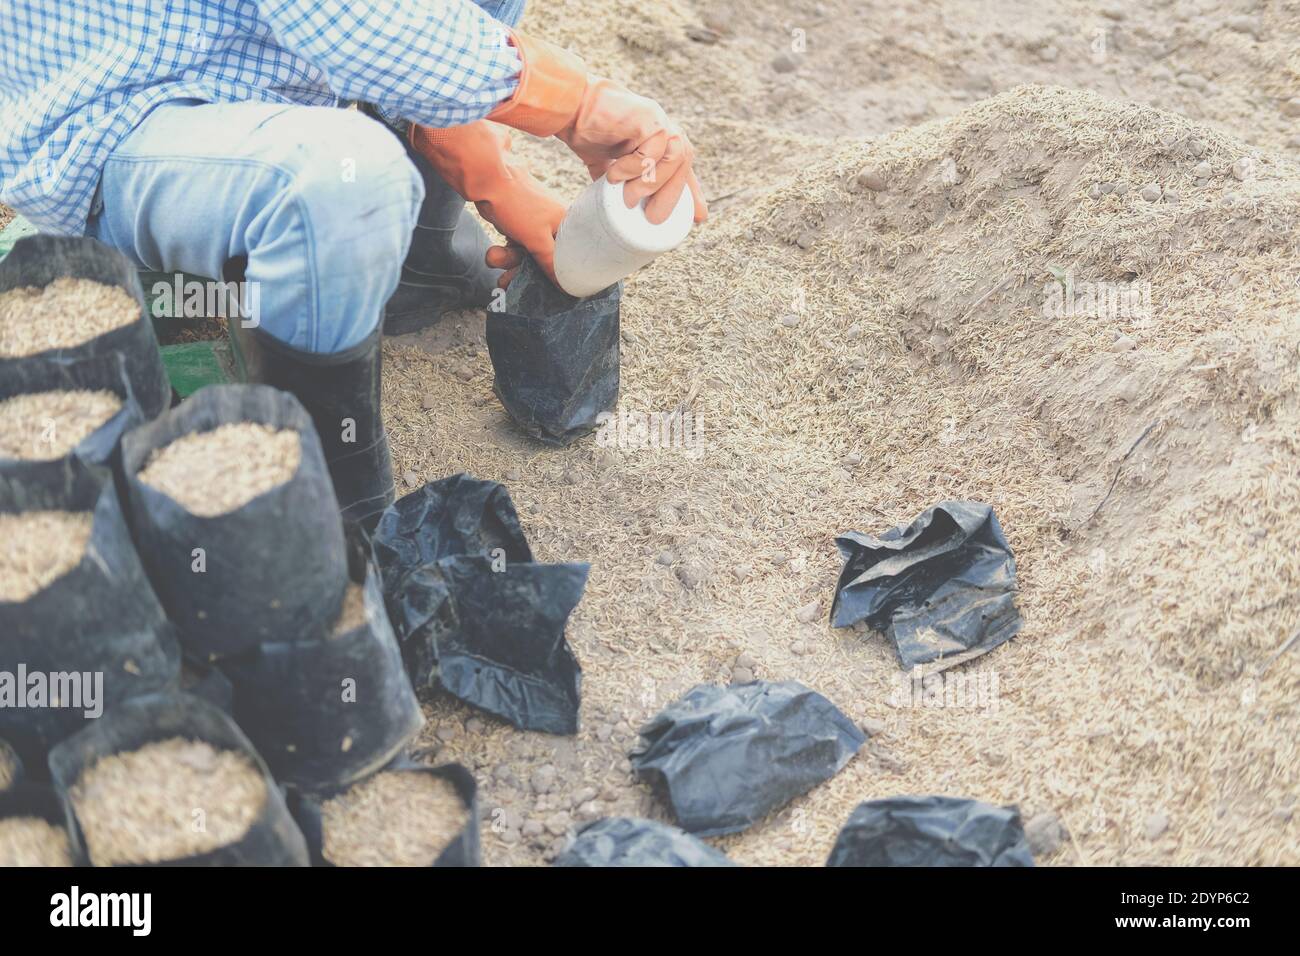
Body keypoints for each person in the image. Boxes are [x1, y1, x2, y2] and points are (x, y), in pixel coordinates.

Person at [0, 1, 707, 524]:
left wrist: (476, 157)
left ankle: (413, 256)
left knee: (356, 170)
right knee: (348, 181)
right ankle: (334, 503)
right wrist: (578, 104)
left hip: (267, 66)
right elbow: (346, 17)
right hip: (122, 121)